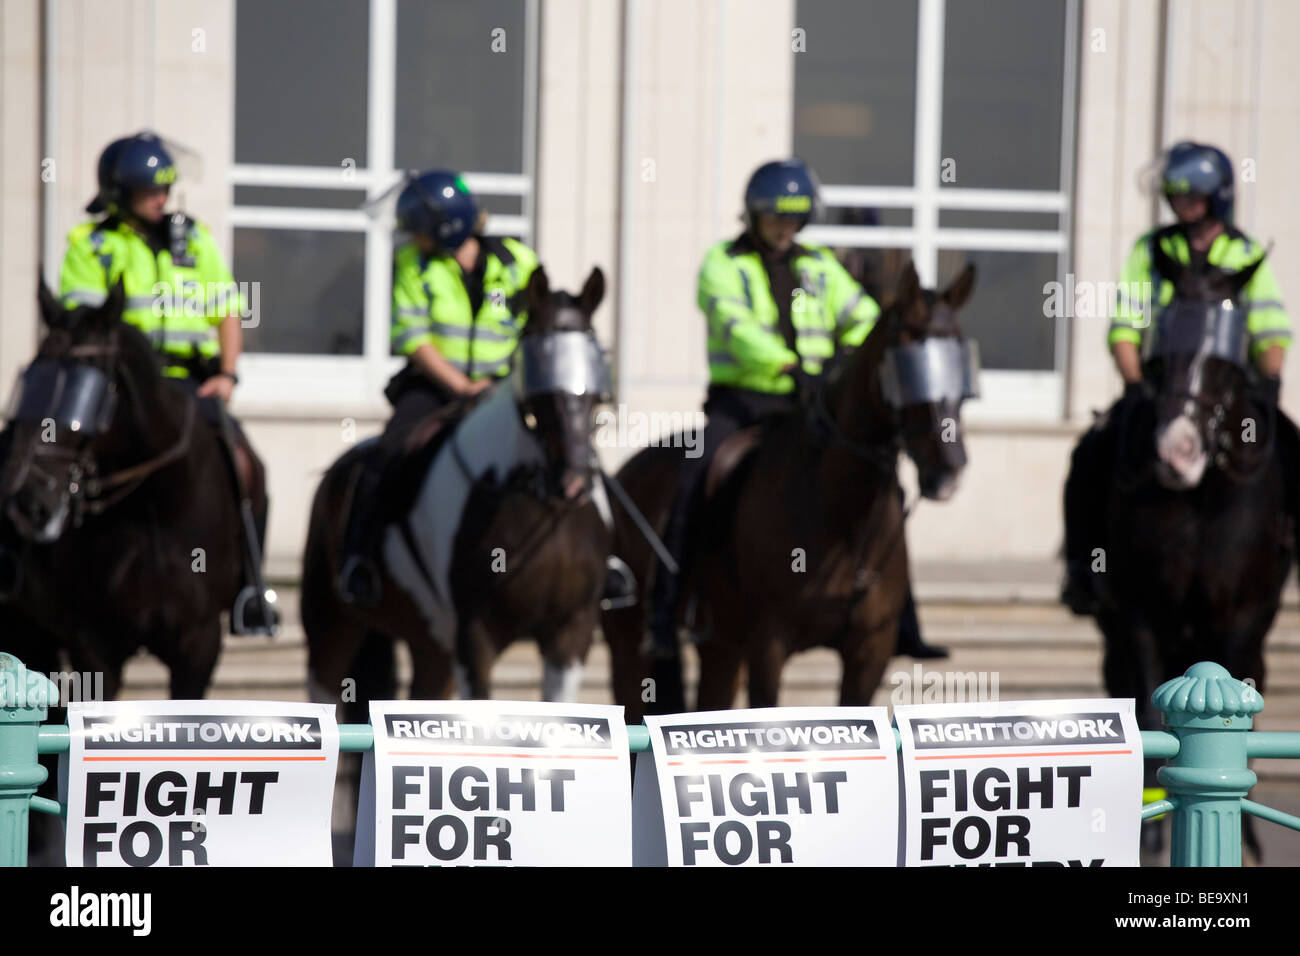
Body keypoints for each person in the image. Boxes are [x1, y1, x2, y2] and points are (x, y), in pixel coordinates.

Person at [648, 157, 947, 660]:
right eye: (776, 217)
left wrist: (846, 362)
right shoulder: (723, 263)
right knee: (698, 474)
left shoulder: (820, 266)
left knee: (884, 484)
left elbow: (865, 319)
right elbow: (734, 327)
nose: (785, 227)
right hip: (745, 402)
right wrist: (788, 366)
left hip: (812, 404)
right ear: (754, 215)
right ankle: (669, 609)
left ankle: (904, 622)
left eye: (795, 218)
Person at [59, 130, 276, 635]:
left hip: (187, 384)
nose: (162, 199)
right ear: (120, 193)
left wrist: (227, 373)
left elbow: (227, 310)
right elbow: (82, 323)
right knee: (55, 454)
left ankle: (250, 590)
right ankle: (43, 573)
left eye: (165, 189)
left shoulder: (193, 240)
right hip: (118, 386)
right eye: (150, 191)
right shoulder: (93, 244)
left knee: (248, 464)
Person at [1062, 141, 1294, 612]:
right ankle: (1085, 570)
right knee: (1092, 451)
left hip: (1228, 391)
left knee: (1290, 448)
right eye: (1175, 195)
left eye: (1191, 195)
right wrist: (1133, 384)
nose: (1180, 204)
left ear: (1217, 197)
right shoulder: (1152, 249)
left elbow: (1271, 330)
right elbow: (1125, 326)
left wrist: (1267, 383)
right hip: (1161, 386)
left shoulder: (1245, 252)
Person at [338, 169, 540, 605]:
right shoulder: (415, 264)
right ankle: (360, 560)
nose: (410, 236)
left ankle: (602, 563)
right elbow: (413, 336)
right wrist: (463, 387)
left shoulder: (519, 263)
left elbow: (537, 329)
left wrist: (506, 386)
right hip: (435, 388)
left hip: (505, 393)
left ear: (445, 226)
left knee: (565, 450)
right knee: (388, 452)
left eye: (416, 228)